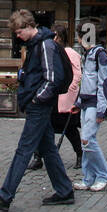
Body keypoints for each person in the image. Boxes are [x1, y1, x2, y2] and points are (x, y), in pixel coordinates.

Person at [0, 10, 75, 211]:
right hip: (38, 105)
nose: (17, 37)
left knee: (24, 149)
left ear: (28, 27)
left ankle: (5, 196)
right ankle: (64, 190)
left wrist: (36, 99)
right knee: (48, 149)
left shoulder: (45, 45)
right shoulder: (37, 44)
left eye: (18, 32)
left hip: (39, 107)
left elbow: (53, 79)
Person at [31, 24, 82, 173]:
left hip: (64, 98)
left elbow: (77, 75)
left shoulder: (69, 52)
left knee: (69, 129)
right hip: (51, 97)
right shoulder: (49, 50)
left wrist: (69, 90)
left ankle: (80, 154)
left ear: (59, 37)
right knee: (43, 127)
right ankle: (38, 157)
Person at [76, 34, 107, 192]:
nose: (78, 41)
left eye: (79, 37)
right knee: (86, 141)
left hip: (94, 103)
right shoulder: (88, 54)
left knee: (87, 140)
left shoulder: (100, 55)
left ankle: (104, 175)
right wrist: (78, 101)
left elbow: (105, 82)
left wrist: (101, 110)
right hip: (85, 102)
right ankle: (88, 178)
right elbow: (86, 80)